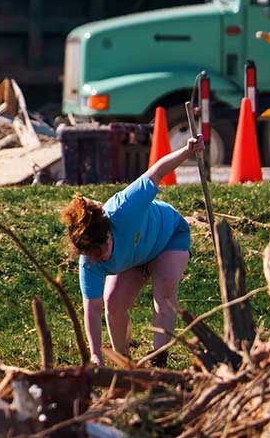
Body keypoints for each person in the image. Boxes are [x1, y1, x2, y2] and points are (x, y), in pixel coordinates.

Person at [62, 137, 203, 367]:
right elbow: (93, 309)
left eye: (103, 248)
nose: (103, 257)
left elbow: (156, 172)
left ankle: (159, 359)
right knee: (113, 302)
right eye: (95, 255)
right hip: (136, 257)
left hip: (167, 236)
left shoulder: (124, 207)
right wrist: (96, 354)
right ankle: (124, 361)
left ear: (108, 231)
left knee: (165, 291)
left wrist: (187, 151)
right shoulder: (89, 261)